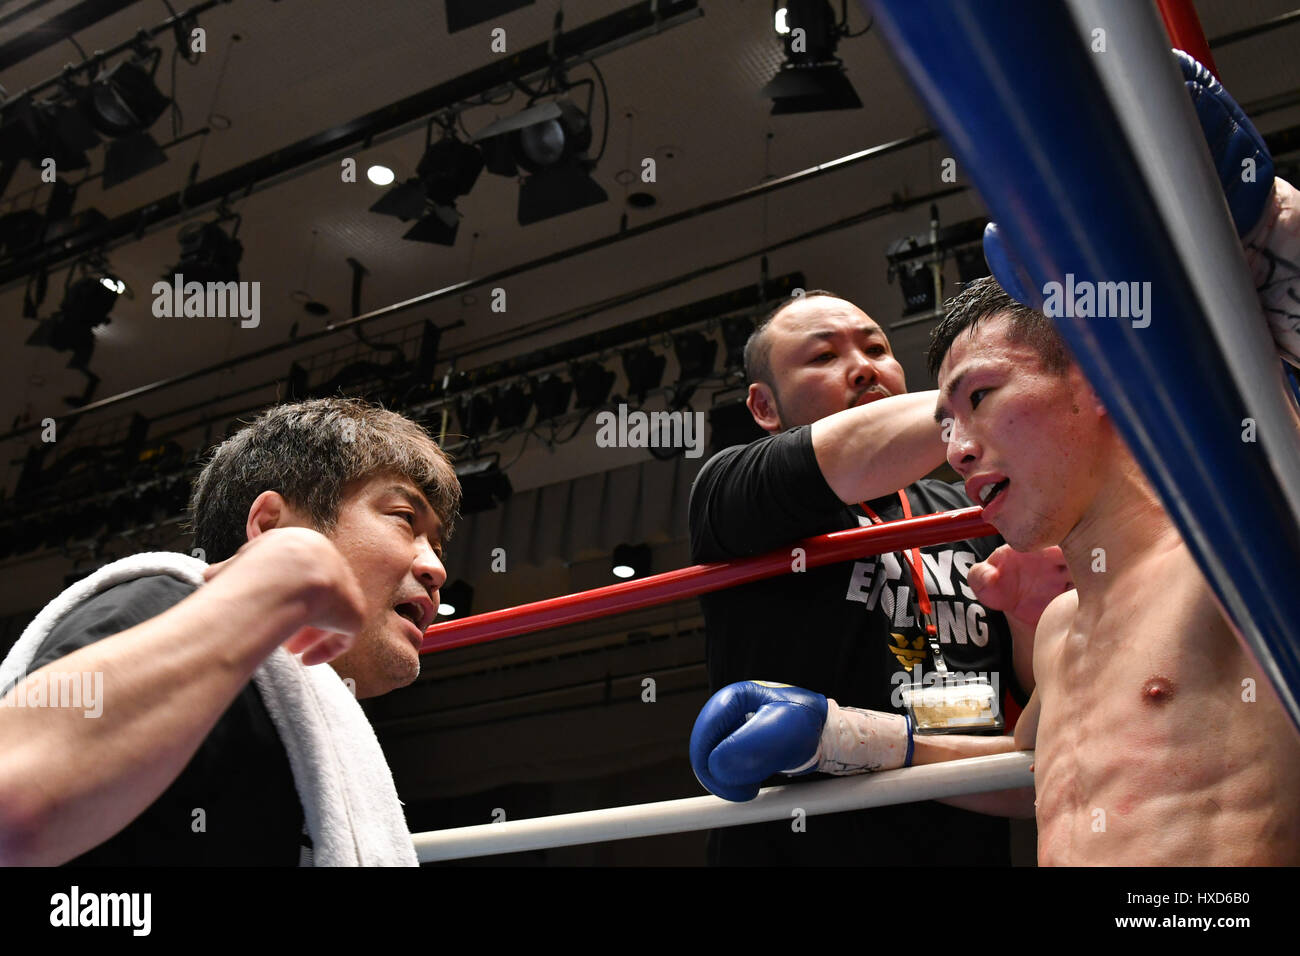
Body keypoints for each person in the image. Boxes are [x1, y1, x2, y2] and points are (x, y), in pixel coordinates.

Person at [924, 271, 1300, 864]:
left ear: (1100, 377)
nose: (956, 450)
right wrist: (848, 741)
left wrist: (1272, 236)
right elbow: (1035, 760)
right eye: (945, 424)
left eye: (979, 397)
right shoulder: (1056, 625)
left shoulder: (1233, 561)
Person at [688, 290, 1070, 865]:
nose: (864, 367)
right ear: (765, 407)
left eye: (876, 347)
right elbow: (852, 451)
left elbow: (1035, 735)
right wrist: (1029, 389)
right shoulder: (733, 492)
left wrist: (1025, 617)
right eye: (822, 357)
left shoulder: (973, 505)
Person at [0, 397, 460, 866]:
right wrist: (258, 593)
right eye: (405, 519)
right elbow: (10, 806)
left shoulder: (314, 743)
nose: (435, 568)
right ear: (270, 526)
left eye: (438, 546)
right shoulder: (168, 602)